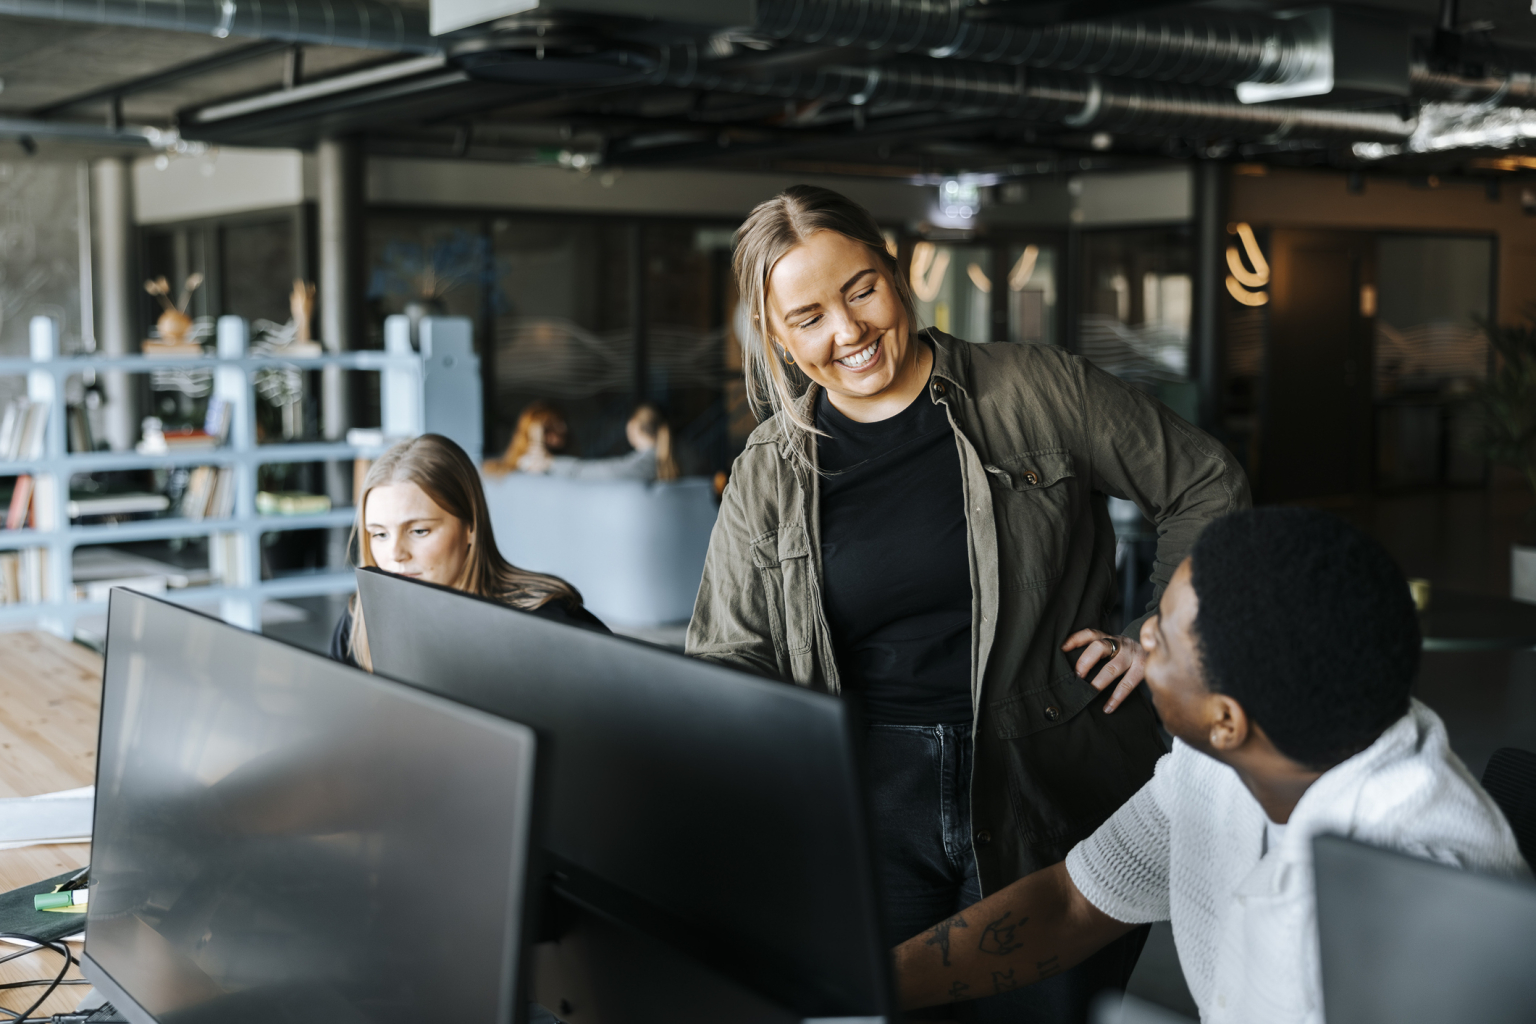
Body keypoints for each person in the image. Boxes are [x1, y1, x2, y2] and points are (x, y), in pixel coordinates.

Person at [687, 184, 1250, 1022]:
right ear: (777, 336)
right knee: (879, 1007)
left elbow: (1206, 484)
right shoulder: (769, 469)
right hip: (869, 795)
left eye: (861, 290)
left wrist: (1153, 636)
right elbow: (729, 655)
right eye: (807, 317)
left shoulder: (1039, 388)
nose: (848, 331)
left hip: (1049, 778)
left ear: (895, 272)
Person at [892, 507, 1528, 1024]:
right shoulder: (1225, 757)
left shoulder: (1419, 902)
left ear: (1226, 719)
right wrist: (872, 986)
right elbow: (1073, 903)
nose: (1141, 637)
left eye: (1162, 637)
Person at [332, 433, 605, 670]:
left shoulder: (550, 626)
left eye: (419, 531)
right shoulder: (360, 622)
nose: (395, 554)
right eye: (380, 534)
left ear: (471, 526)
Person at [520, 402, 681, 482]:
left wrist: (550, 463)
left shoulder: (647, 462)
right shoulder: (669, 459)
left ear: (632, 427)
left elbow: (603, 472)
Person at [484, 401, 570, 476]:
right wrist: (538, 445)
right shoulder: (524, 465)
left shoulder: (563, 463)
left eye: (562, 422)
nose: (563, 428)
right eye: (552, 426)